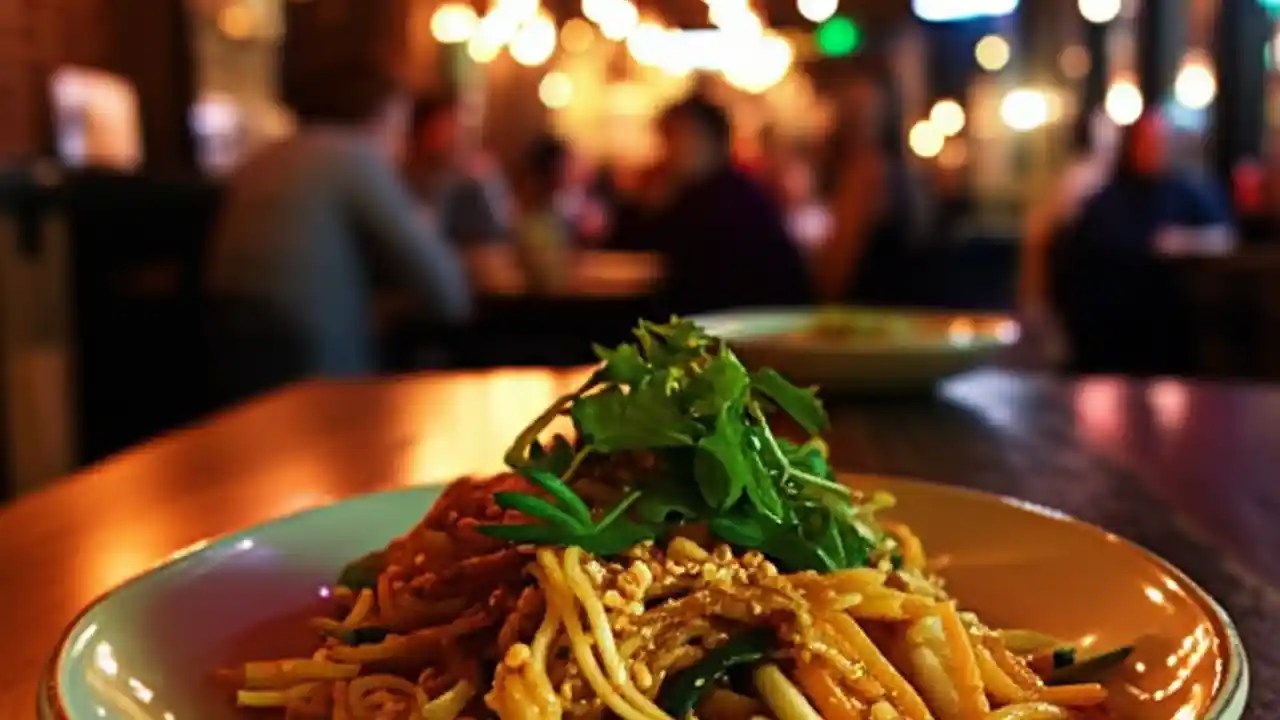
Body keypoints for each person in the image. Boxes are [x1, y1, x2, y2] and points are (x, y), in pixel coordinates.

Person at [205, 65, 472, 400]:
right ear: (379, 118)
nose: (401, 147)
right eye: (398, 128)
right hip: (324, 387)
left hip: (231, 383)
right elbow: (448, 294)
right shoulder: (354, 158)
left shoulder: (261, 159)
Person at [1054, 110, 1234, 373]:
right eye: (1144, 141)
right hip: (1113, 323)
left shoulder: (1188, 190)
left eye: (1157, 141)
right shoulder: (1107, 199)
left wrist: (1182, 242)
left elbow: (1225, 236)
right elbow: (1085, 256)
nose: (1151, 148)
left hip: (1176, 318)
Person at [650, 96, 811, 315]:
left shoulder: (733, 201)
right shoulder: (687, 195)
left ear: (716, 141)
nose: (670, 150)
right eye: (666, 138)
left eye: (682, 137)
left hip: (755, 329)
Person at [815, 75, 921, 304]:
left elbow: (836, 270)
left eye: (861, 111)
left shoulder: (866, 172)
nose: (857, 121)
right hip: (898, 310)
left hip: (865, 315)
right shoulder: (903, 172)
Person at [405, 94, 511, 245]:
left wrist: (491, 183)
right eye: (449, 129)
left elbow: (503, 229)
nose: (458, 139)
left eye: (461, 130)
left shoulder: (468, 185)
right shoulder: (404, 186)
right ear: (421, 133)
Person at [512, 134, 573, 293]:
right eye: (566, 166)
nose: (571, 172)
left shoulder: (551, 215)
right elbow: (550, 282)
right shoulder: (532, 222)